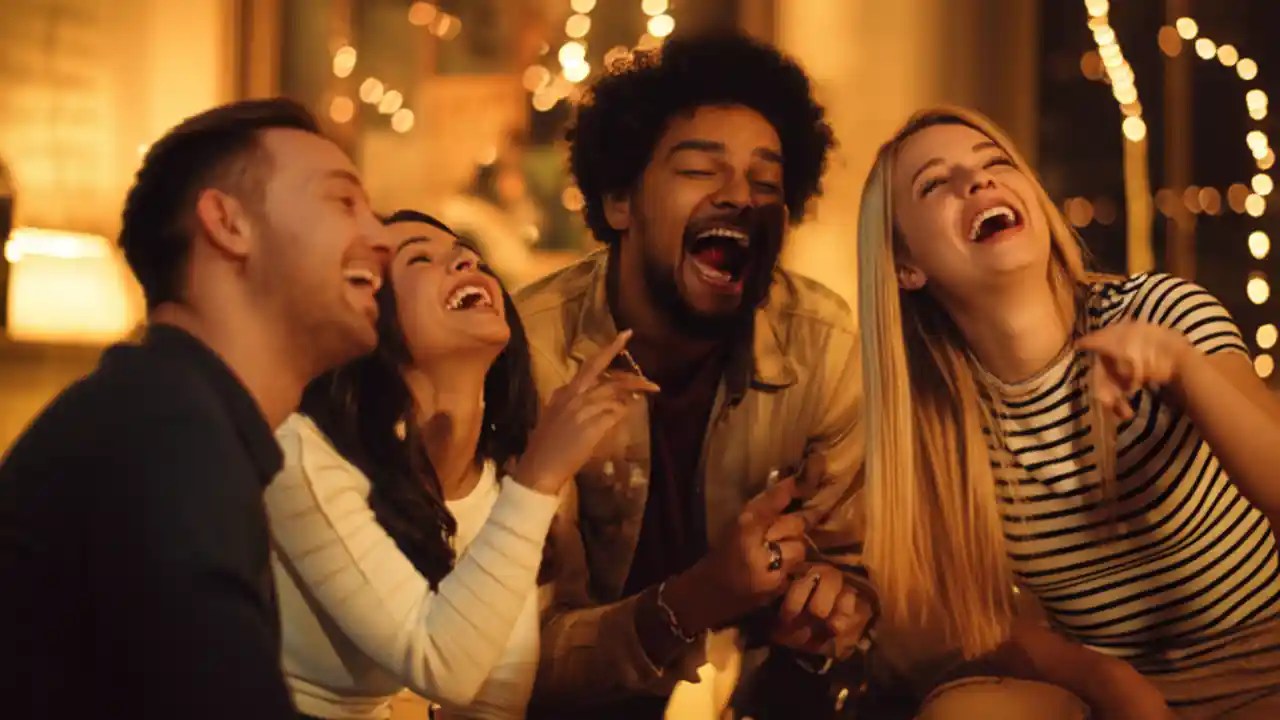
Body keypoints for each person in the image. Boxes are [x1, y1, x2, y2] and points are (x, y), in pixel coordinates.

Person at [855, 105, 1280, 720]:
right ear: (905, 266)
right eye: (933, 183)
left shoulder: (1160, 310)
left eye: (995, 163)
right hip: (1126, 689)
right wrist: (1109, 682)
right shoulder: (936, 422)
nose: (977, 182)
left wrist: (1184, 369)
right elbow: (985, 623)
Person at [514, 33, 871, 718]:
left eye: (767, 182)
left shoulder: (822, 346)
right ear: (620, 201)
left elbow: (863, 570)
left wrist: (836, 607)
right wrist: (698, 597)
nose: (741, 197)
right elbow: (512, 656)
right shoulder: (529, 356)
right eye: (701, 171)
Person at [0, 98, 391, 718]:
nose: (381, 237)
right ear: (227, 224)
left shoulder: (176, 415)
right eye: (344, 202)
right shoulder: (161, 439)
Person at [267, 210, 657, 720]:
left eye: (464, 251)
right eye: (421, 258)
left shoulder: (494, 484)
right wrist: (539, 479)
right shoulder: (302, 452)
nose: (466, 259)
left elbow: (495, 696)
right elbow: (440, 664)